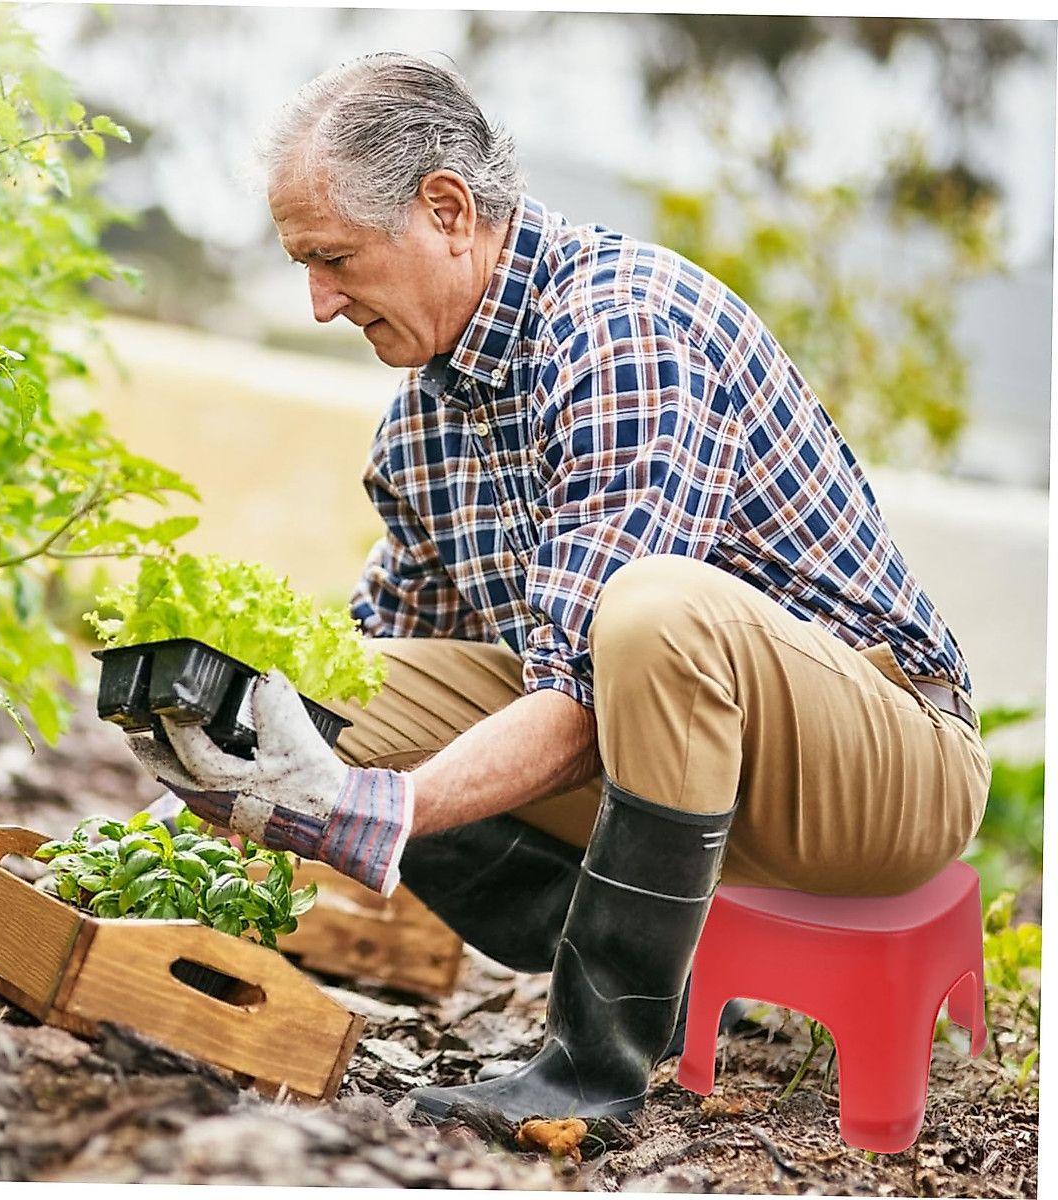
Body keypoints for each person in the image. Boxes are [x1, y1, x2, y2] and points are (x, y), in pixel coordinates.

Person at [129, 52, 992, 1125]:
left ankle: (593, 1069)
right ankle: (666, 991)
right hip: (677, 775)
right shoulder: (424, 417)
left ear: (447, 210)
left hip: (876, 777)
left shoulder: (622, 326)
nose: (317, 303)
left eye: (334, 258)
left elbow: (593, 689)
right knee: (314, 678)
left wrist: (380, 812)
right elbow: (375, 678)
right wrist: (193, 796)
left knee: (653, 612)